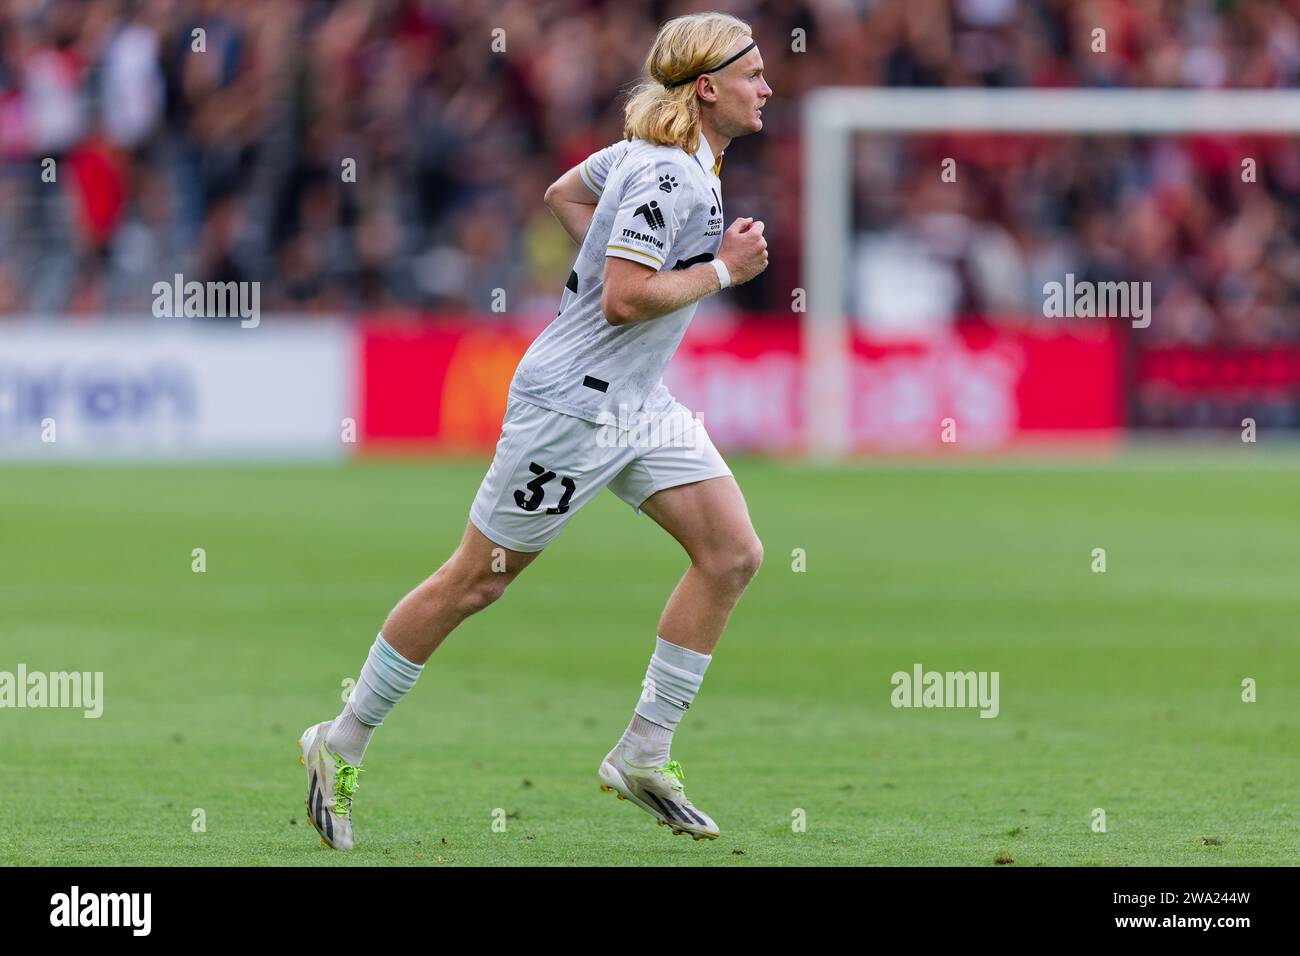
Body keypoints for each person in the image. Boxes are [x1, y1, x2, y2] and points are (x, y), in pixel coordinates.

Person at [299, 11, 772, 849]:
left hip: (638, 402)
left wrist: (613, 273)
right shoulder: (670, 177)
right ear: (708, 87)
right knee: (475, 581)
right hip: (572, 410)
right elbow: (626, 299)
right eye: (753, 73)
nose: (767, 86)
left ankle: (643, 752)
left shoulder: (649, 159)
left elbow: (564, 194)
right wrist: (719, 272)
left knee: (732, 553)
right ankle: (340, 740)